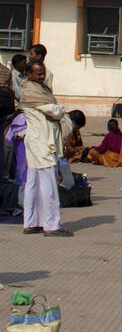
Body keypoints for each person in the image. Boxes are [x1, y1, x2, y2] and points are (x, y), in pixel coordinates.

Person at [18, 59, 72, 236]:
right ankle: (51, 225)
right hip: (42, 142)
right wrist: (58, 111)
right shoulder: (31, 91)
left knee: (32, 183)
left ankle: (31, 222)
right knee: (48, 184)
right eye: (38, 73)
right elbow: (56, 111)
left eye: (43, 73)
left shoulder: (41, 89)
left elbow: (54, 111)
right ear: (30, 74)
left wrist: (55, 112)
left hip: (37, 141)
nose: (42, 76)